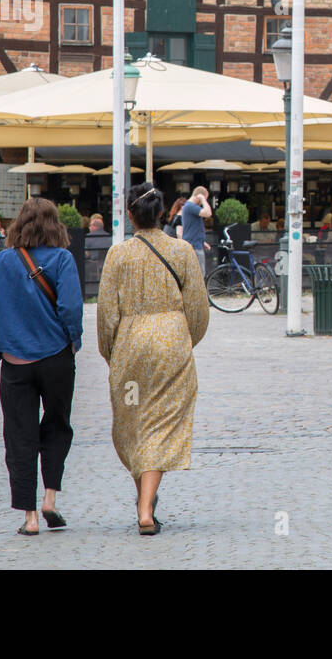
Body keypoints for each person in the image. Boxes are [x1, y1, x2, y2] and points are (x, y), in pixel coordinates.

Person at [97, 182, 210, 535]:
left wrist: (110, 352)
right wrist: (184, 338)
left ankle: (144, 503)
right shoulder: (182, 252)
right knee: (162, 423)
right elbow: (198, 309)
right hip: (172, 344)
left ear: (130, 215)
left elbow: (106, 313)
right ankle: (146, 507)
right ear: (163, 214)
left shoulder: (118, 255)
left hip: (131, 347)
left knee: (134, 422)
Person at [0, 197, 83, 536]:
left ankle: (30, 517)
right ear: (56, 225)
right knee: (57, 426)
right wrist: (73, 341)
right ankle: (51, 498)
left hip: (16, 362)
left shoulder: (4, 261)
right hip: (56, 357)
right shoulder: (63, 259)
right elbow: (70, 308)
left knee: (19, 436)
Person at [178, 186, 212, 273]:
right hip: (194, 246)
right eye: (204, 199)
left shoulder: (188, 207)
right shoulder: (190, 206)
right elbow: (208, 213)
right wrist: (203, 199)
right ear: (199, 196)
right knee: (200, 275)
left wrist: (202, 242)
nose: (202, 203)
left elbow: (191, 227)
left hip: (195, 243)